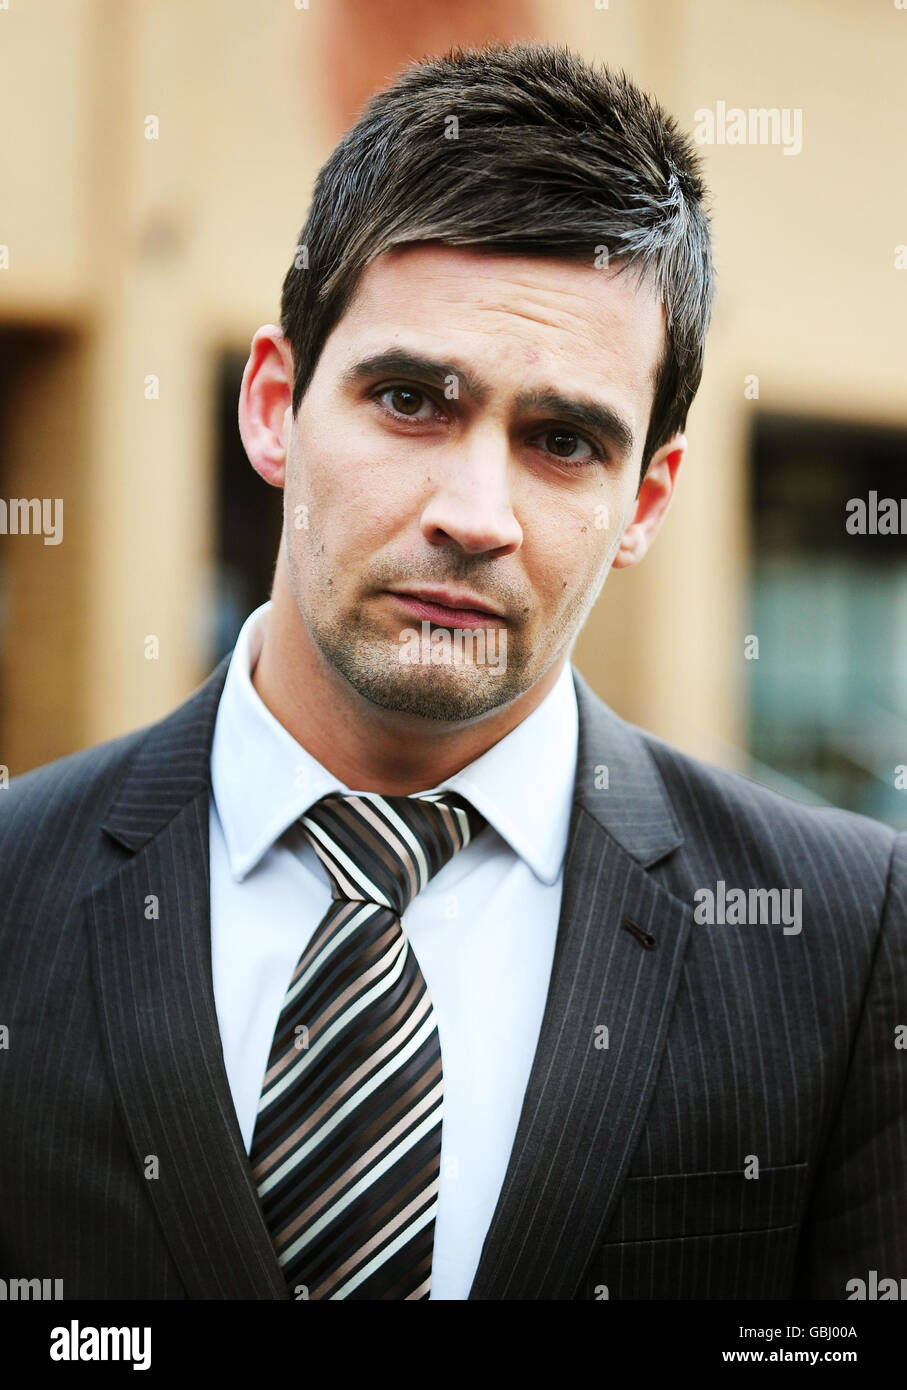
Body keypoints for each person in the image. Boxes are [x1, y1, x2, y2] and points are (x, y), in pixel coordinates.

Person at [1, 41, 903, 1302]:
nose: (475, 514)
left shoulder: (846, 941)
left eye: (562, 440)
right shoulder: (13, 889)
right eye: (412, 400)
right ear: (273, 404)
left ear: (645, 502)